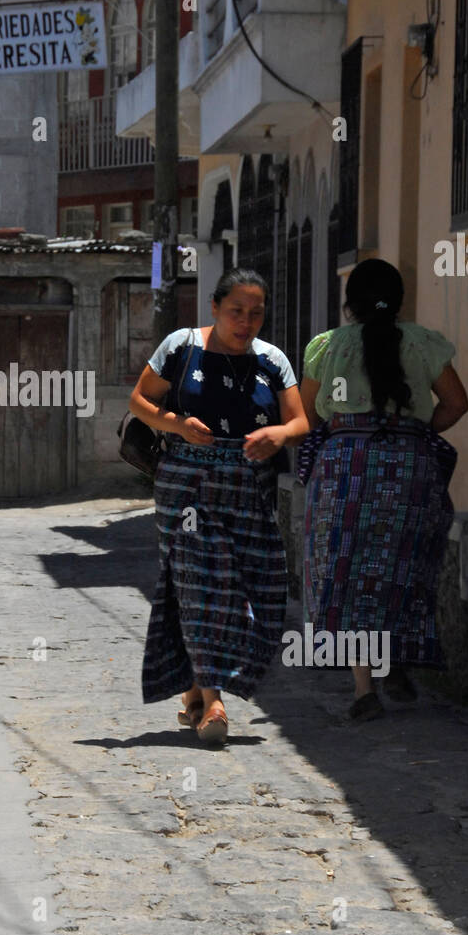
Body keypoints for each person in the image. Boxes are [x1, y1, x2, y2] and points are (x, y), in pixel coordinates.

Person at [129, 269, 308, 745]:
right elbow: (140, 401)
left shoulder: (272, 361)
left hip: (249, 489)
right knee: (205, 583)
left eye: (256, 313)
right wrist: (177, 425)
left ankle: (191, 691)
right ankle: (213, 701)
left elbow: (300, 421)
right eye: (237, 311)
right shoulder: (181, 347)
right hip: (186, 485)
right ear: (214, 307)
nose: (246, 322)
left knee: (256, 590)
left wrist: (279, 435)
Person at [298, 258, 468, 720]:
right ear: (399, 301)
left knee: (348, 568)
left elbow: (307, 416)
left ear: (349, 304)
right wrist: (417, 433)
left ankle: (363, 689)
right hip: (409, 465)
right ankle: (394, 657)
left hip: (344, 467)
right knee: (401, 563)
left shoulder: (326, 347)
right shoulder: (423, 343)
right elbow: (457, 403)